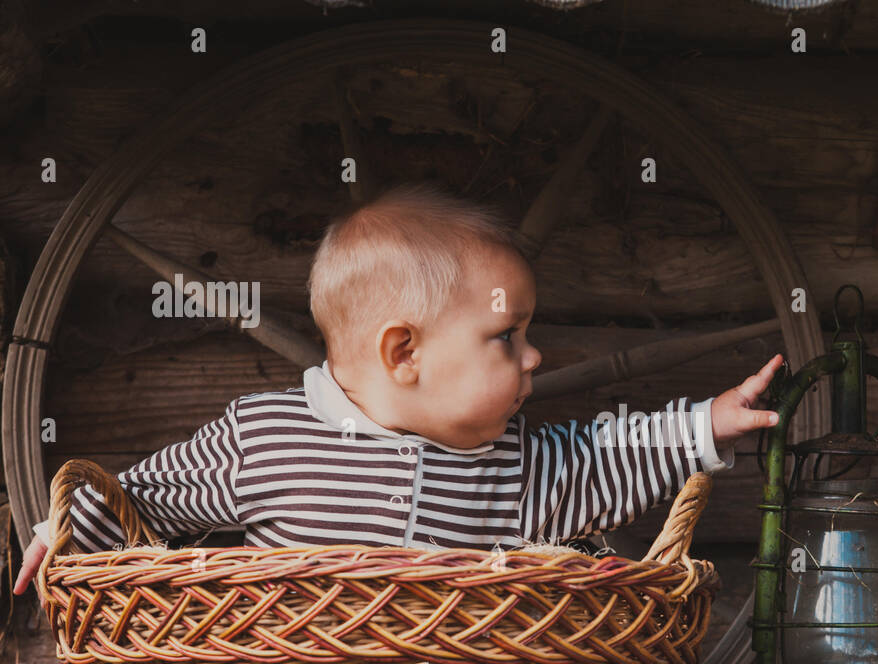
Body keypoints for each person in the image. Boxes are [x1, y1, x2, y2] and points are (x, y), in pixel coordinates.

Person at [13, 182, 782, 593]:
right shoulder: (267, 439)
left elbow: (603, 459)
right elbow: (146, 495)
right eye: (505, 336)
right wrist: (63, 531)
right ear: (404, 352)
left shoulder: (511, 465)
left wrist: (706, 424)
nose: (535, 357)